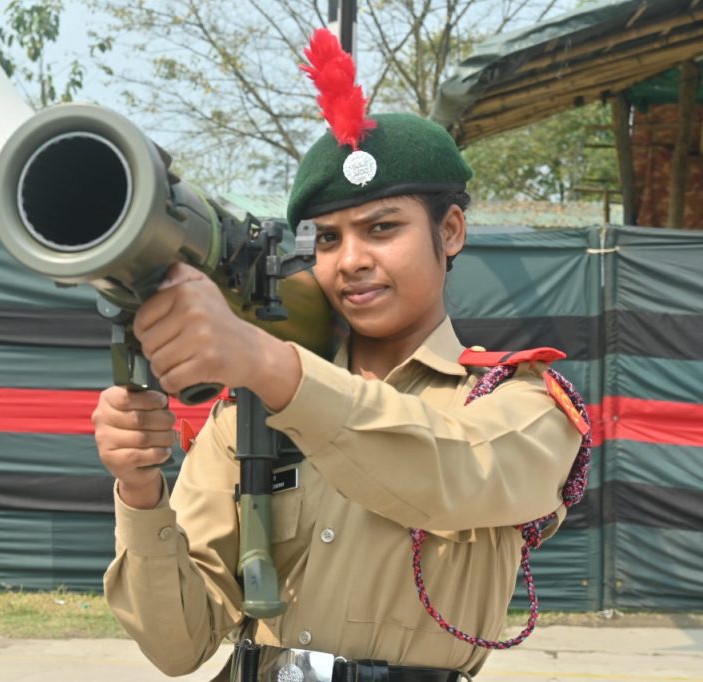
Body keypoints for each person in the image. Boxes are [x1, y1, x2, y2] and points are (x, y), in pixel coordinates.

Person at [91, 28, 585, 682]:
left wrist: (269, 364)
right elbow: (178, 645)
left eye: (383, 228)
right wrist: (139, 487)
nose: (351, 260)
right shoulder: (249, 415)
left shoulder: (521, 403)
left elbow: (447, 474)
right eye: (327, 238)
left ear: (451, 231)